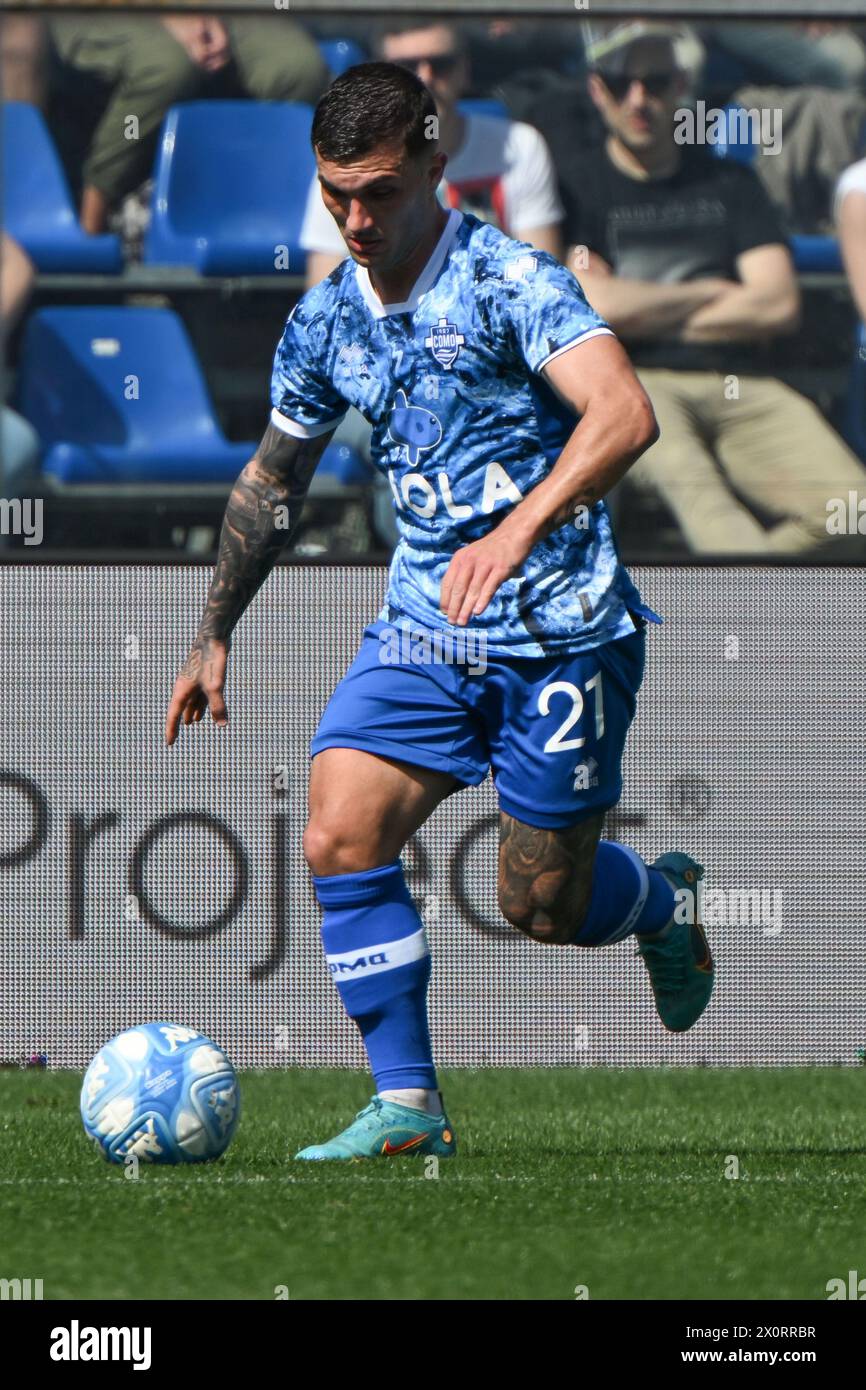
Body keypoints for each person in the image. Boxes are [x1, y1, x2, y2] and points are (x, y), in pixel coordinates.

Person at [165, 63, 714, 1161]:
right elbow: (273, 481)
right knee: (334, 826)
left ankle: (659, 904)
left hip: (559, 629)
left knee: (539, 909)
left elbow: (623, 413)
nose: (355, 219)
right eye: (334, 195)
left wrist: (514, 532)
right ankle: (408, 1105)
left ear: (431, 163)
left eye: (377, 192)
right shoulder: (325, 320)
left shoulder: (512, 281)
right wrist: (213, 628)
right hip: (423, 625)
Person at [552, 21, 866, 554]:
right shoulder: (576, 186)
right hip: (638, 384)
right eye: (620, 82)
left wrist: (636, 302)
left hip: (747, 382)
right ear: (595, 89)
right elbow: (591, 306)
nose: (639, 98)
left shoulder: (731, 183)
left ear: (681, 88)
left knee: (853, 513)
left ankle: (747, 614)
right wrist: (716, 292)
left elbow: (777, 303)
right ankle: (746, 625)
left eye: (655, 81)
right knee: (716, 525)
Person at [300, 16, 564, 288]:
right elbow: (324, 293)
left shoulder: (520, 145)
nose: (425, 78)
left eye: (441, 65)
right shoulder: (350, 164)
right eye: (406, 68)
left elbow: (541, 283)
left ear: (465, 69)